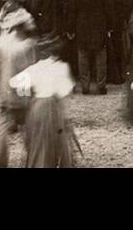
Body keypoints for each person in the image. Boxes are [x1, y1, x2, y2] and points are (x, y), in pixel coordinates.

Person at [11, 38, 81, 168]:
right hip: (53, 106)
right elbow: (64, 90)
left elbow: (15, 83)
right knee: (55, 140)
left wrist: (27, 96)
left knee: (39, 140)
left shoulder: (34, 68)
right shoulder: (61, 67)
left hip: (36, 106)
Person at [0, 7, 37, 167]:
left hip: (2, 94)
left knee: (3, 128)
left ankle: (0, 163)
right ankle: (30, 161)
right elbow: (28, 72)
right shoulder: (27, 46)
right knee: (27, 130)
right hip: (21, 94)